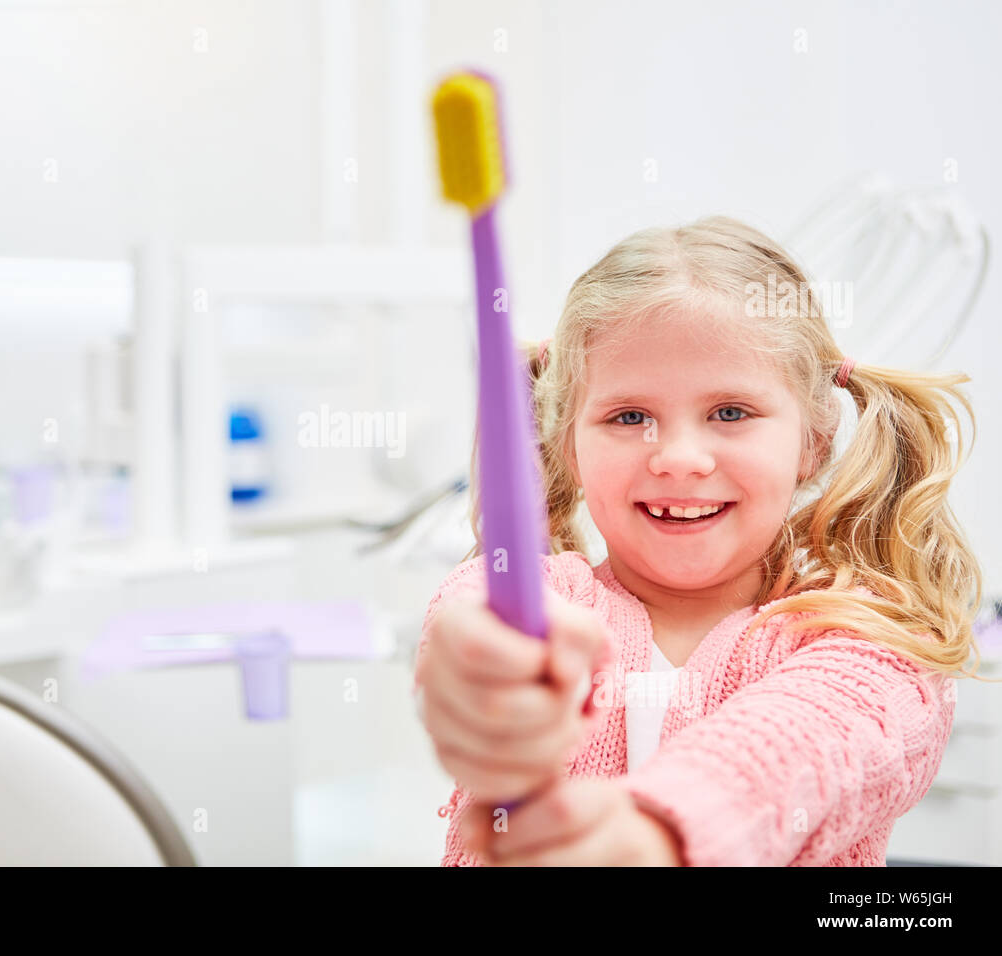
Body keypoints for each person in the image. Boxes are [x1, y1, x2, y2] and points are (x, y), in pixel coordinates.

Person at [413, 215, 994, 866]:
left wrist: (651, 834)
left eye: (730, 413)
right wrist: (487, 665)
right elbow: (465, 625)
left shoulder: (867, 645)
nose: (680, 458)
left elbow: (791, 750)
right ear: (568, 443)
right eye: (629, 416)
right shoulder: (546, 601)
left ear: (813, 440)